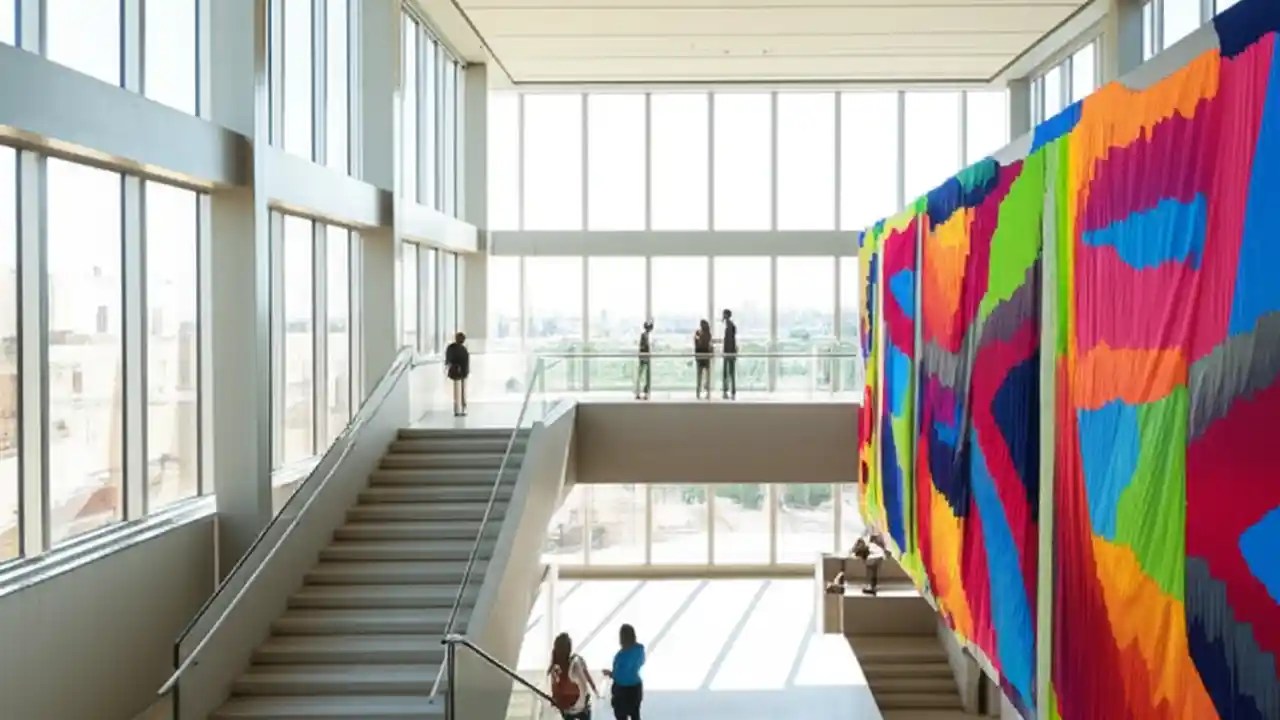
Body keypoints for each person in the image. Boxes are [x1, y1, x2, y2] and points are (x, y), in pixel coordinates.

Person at [548, 632, 598, 720]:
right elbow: (555, 690)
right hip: (569, 709)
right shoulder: (555, 669)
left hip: (582, 708)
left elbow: (585, 683)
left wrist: (594, 689)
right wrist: (557, 699)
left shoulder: (576, 663)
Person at [603, 624, 645, 720]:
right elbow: (641, 662)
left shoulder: (621, 656)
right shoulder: (640, 649)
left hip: (622, 690)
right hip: (636, 687)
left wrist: (610, 673)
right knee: (635, 715)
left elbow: (619, 675)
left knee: (621, 716)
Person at [851, 529, 888, 595]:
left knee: (871, 566)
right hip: (873, 551)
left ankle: (872, 586)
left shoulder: (871, 540)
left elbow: (879, 543)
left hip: (875, 552)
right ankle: (871, 586)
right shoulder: (866, 538)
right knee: (871, 567)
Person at [444, 332, 469, 417]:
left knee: (460, 392)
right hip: (458, 373)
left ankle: (460, 408)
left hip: (459, 373)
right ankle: (460, 409)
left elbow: (448, 360)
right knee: (460, 391)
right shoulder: (461, 349)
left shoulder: (453, 348)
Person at [720, 308, 738, 400]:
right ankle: (731, 390)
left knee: (727, 372)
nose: (723, 316)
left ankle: (728, 390)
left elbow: (729, 341)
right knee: (730, 372)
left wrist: (726, 352)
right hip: (730, 352)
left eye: (724, 314)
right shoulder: (730, 325)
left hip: (729, 353)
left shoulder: (729, 326)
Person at [694, 320, 713, 399]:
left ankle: (699, 392)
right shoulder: (707, 334)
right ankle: (706, 392)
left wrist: (696, 337)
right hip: (706, 355)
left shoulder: (702, 334)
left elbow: (700, 343)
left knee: (700, 375)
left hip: (701, 355)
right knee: (706, 375)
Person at [634, 320, 653, 401]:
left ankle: (644, 393)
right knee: (643, 375)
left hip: (646, 357)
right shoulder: (644, 336)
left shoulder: (646, 336)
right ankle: (639, 393)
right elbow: (643, 347)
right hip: (644, 357)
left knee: (645, 376)